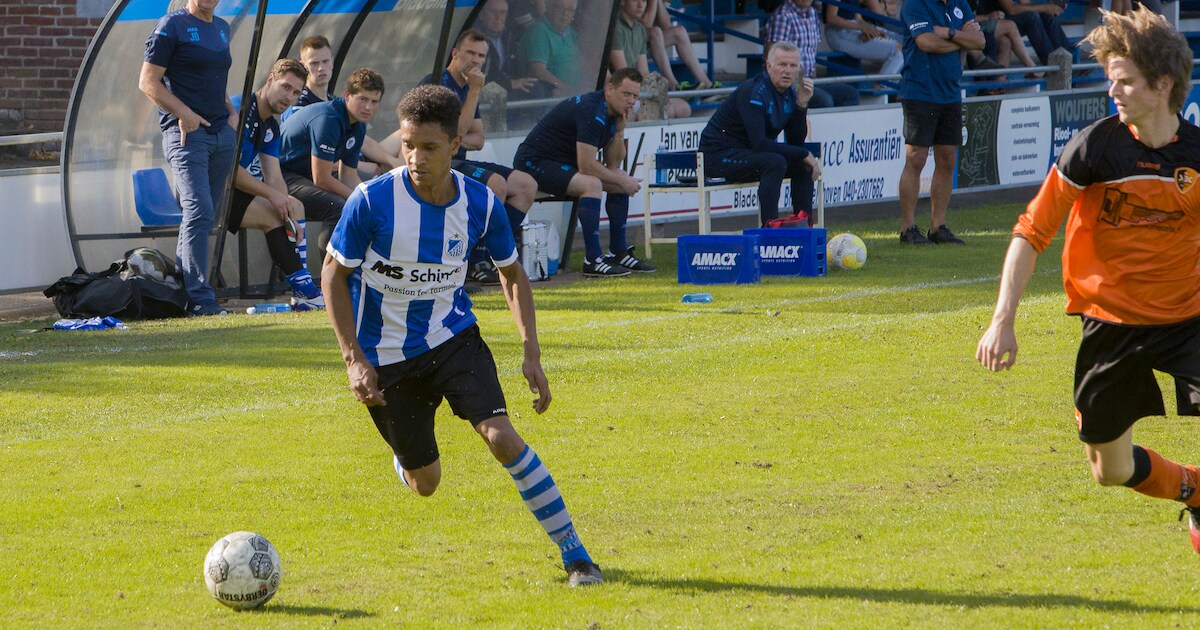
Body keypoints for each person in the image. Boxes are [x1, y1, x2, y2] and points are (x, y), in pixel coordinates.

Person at [322, 84, 603, 587]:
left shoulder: (481, 204)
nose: (414, 157)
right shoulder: (371, 200)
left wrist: (531, 353)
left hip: (452, 337)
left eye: (428, 147)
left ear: (455, 145)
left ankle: (576, 555)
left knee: (501, 437)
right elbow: (333, 274)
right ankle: (405, 457)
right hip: (385, 357)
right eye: (407, 144)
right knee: (425, 484)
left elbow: (512, 274)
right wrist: (353, 359)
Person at [977, 7, 1200, 552]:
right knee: (1110, 468)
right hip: (1111, 323)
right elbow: (1031, 231)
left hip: (1189, 319)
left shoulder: (1197, 156)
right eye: (1110, 80)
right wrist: (1002, 320)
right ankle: (1192, 490)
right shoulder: (1094, 148)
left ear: (1163, 84)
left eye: (1124, 81)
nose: (1114, 91)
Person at [395, 30, 541, 285]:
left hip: (460, 159)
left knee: (525, 185)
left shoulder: (466, 86)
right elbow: (459, 133)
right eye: (470, 53)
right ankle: (476, 261)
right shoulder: (438, 83)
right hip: (440, 162)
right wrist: (474, 92)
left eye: (481, 56)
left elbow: (478, 138)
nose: (475, 61)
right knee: (496, 184)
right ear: (455, 53)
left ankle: (497, 253)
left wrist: (460, 136)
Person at [138, 0, 237, 316]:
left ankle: (187, 296)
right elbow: (147, 82)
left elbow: (213, 77)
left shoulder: (221, 27)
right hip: (186, 135)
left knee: (204, 214)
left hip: (220, 134)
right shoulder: (171, 25)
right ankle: (201, 298)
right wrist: (184, 113)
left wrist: (231, 112)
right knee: (199, 209)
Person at [513, 68, 656, 278]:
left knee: (619, 179)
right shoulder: (591, 110)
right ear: (609, 89)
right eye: (626, 94)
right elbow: (587, 166)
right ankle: (593, 259)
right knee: (593, 184)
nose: (631, 101)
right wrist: (620, 180)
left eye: (635, 96)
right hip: (534, 162)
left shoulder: (613, 114)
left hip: (562, 164)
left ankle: (618, 251)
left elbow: (614, 165)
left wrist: (619, 132)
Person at [227, 58, 325, 311]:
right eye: (285, 87)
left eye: (295, 92)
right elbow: (229, 172)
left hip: (227, 191)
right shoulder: (239, 109)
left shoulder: (271, 124)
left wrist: (287, 207)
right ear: (270, 80)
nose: (289, 96)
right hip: (207, 191)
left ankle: (303, 291)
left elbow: (274, 176)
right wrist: (275, 198)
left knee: (294, 206)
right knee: (273, 214)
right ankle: (306, 289)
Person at [698, 41, 822, 227]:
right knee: (775, 162)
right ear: (769, 66)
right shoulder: (755, 92)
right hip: (718, 156)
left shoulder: (790, 94)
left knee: (802, 166)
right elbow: (760, 144)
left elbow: (795, 142)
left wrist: (801, 106)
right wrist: (804, 154)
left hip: (748, 156)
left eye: (792, 65)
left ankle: (804, 229)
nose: (787, 71)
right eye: (782, 64)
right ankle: (770, 230)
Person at [896, 0, 984, 244]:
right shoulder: (915, 4)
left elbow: (980, 42)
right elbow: (925, 42)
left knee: (947, 159)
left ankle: (938, 227)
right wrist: (960, 40)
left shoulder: (960, 4)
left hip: (950, 92)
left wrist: (948, 33)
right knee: (916, 158)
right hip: (919, 91)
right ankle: (908, 228)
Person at [277, 68, 383, 257]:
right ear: (347, 95)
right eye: (363, 99)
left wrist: (368, 202)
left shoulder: (358, 125)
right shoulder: (329, 119)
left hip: (304, 177)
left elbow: (348, 175)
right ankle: (330, 275)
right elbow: (322, 179)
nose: (368, 107)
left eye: (374, 101)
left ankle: (355, 268)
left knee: (371, 199)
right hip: (279, 176)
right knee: (340, 205)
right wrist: (357, 200)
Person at [282, 36, 400, 173]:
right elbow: (310, 156)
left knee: (405, 137)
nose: (321, 68)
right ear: (303, 66)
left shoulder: (336, 102)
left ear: (332, 62)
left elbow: (363, 141)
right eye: (314, 63)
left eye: (325, 61)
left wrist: (393, 161)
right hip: (335, 170)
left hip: (353, 158)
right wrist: (361, 166)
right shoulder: (300, 104)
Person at [763, 0, 861, 109]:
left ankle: (842, 126)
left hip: (809, 79)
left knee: (850, 93)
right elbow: (771, 56)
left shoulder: (813, 14)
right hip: (789, 82)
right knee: (825, 100)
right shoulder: (782, 16)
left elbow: (811, 51)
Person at [611, 0, 691, 119]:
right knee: (668, 111)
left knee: (684, 108)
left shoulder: (639, 29)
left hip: (637, 90)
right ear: (622, 1)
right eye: (635, 0)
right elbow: (623, 74)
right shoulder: (615, 28)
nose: (640, 5)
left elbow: (644, 72)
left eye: (644, 0)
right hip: (622, 93)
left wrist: (657, 90)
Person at [639, 0, 717, 91]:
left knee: (680, 31)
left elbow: (666, 25)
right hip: (628, 41)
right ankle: (673, 85)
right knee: (655, 32)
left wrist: (658, 2)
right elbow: (645, 25)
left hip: (645, 41)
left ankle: (707, 84)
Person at [821, 0, 904, 83]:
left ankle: (892, 90)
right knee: (897, 49)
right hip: (838, 32)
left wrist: (872, 30)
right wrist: (859, 27)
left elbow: (858, 17)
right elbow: (831, 18)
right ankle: (880, 87)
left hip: (853, 28)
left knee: (906, 43)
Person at [476, 0, 543, 99]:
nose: (498, 18)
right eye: (492, 12)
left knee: (535, 88)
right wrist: (509, 83)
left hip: (508, 89)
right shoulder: (474, 40)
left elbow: (519, 69)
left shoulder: (508, 37)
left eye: (502, 12)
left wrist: (524, 80)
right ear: (481, 15)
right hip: (485, 93)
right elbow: (479, 76)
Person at [519, 0, 582, 98]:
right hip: (551, 97)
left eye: (570, 10)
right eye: (559, 7)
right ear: (548, 6)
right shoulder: (539, 31)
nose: (565, 13)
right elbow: (537, 71)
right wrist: (565, 89)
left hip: (574, 93)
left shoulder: (570, 31)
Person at [981, 0, 1070, 66]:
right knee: (1031, 17)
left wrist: (1050, 7)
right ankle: (1052, 65)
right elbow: (1011, 9)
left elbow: (1025, 3)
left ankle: (1069, 64)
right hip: (991, 22)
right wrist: (1045, 7)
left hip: (1009, 19)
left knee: (1046, 15)